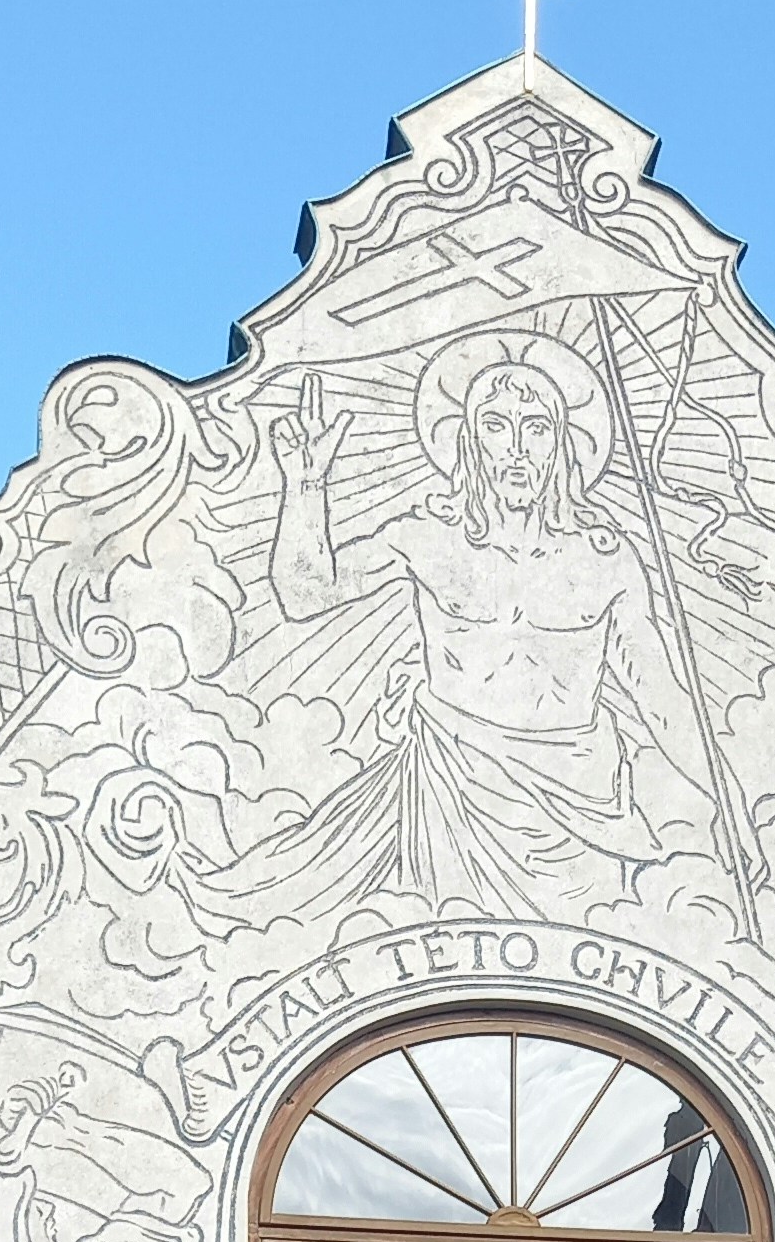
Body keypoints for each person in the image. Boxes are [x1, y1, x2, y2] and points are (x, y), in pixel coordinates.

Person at [264, 330, 715, 910]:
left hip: (582, 810)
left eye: (537, 428)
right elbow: (305, 592)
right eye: (496, 426)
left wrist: (723, 800)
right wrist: (306, 484)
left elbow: (662, 697)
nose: (517, 450)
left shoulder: (605, 559)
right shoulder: (429, 539)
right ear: (470, 443)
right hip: (451, 791)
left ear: (563, 446)